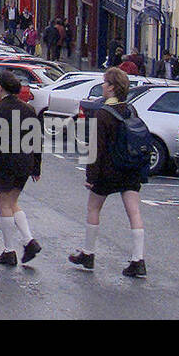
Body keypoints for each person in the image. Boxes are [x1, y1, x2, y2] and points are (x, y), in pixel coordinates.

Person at [69, 67, 148, 278]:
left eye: (105, 83)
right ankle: (138, 260)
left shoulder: (103, 114)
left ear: (112, 88)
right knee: (134, 213)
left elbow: (96, 148)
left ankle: (88, 253)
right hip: (130, 170)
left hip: (108, 172)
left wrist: (90, 178)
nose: (102, 86)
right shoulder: (131, 110)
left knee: (93, 208)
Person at [0, 70, 42, 266]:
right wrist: (36, 168)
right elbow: (36, 141)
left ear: (0, 88)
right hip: (24, 163)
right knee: (13, 202)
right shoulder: (29, 110)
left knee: (4, 204)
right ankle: (29, 241)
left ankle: (9, 250)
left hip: (3, 163)